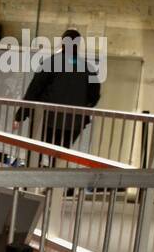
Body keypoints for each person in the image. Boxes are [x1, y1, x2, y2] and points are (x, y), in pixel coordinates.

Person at [13, 28, 102, 156]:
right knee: (59, 155)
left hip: (47, 119)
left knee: (37, 153)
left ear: (62, 43)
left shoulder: (50, 63)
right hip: (73, 124)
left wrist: (20, 115)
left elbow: (34, 89)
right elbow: (94, 96)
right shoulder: (90, 68)